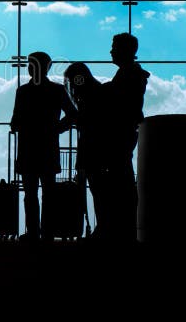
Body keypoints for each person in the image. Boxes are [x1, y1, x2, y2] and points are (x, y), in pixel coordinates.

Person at [10, 51, 69, 242]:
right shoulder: (57, 90)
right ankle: (47, 232)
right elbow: (73, 114)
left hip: (28, 148)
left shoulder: (23, 91)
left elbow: (15, 122)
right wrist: (56, 129)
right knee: (48, 194)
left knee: (30, 194)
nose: (29, 67)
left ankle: (34, 232)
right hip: (48, 148)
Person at [102, 32, 150, 242]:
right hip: (126, 131)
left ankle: (123, 228)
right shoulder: (132, 74)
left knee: (120, 179)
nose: (111, 51)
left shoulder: (127, 75)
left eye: (114, 47)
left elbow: (117, 102)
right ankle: (126, 227)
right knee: (122, 177)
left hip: (120, 132)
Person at [63, 62, 106, 239]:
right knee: (99, 189)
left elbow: (85, 120)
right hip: (96, 148)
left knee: (97, 189)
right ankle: (103, 226)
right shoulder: (97, 92)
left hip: (91, 148)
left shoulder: (88, 97)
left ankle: (103, 228)